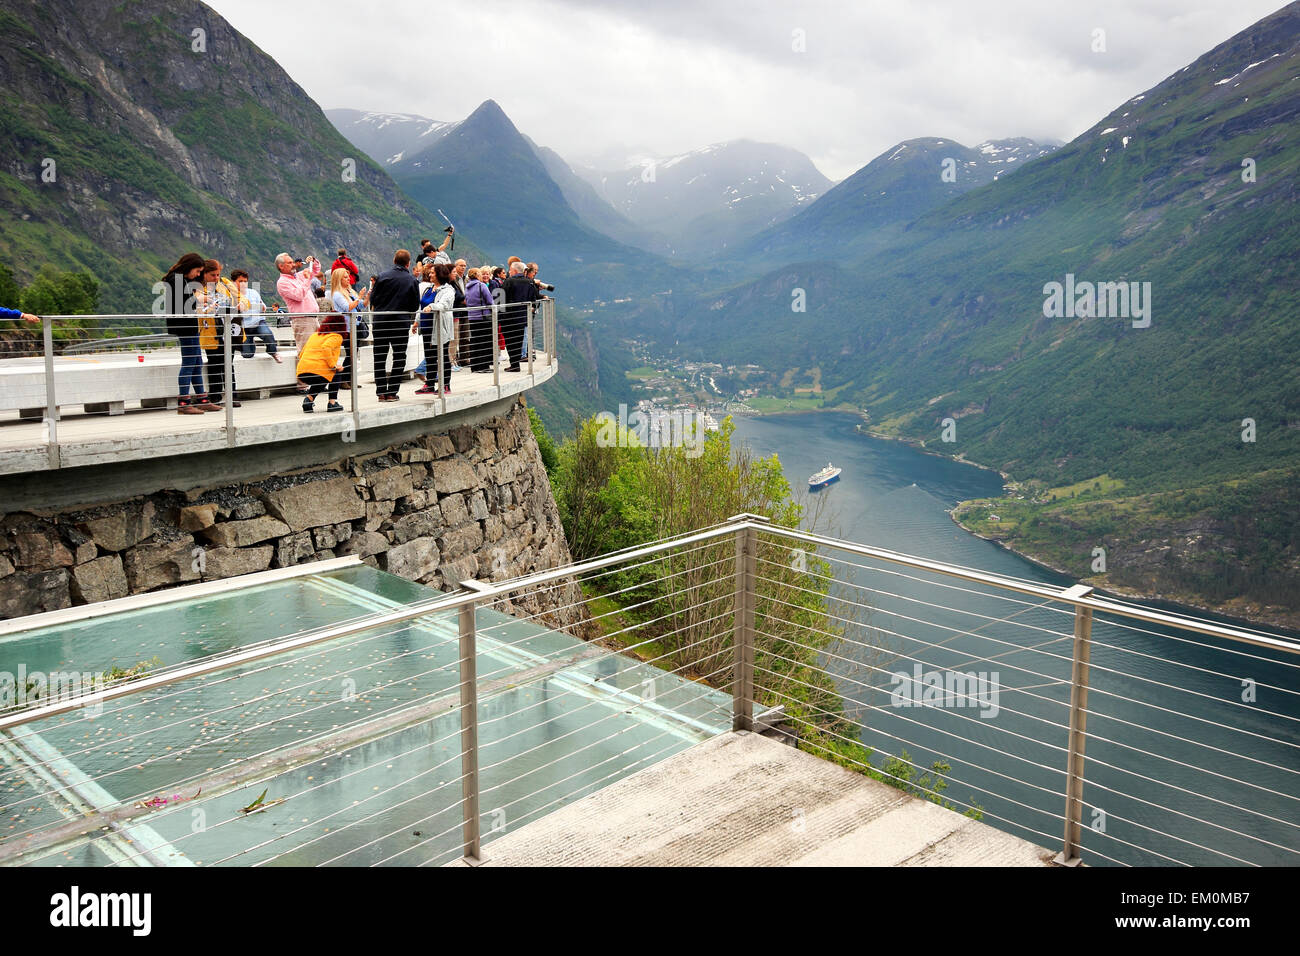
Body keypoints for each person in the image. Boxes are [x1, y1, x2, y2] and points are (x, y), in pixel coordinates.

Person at [161, 252, 211, 414]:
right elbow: (182, 302)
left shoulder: (179, 279)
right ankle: (184, 401)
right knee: (189, 363)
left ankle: (202, 398)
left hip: (188, 325)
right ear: (189, 267)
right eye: (197, 271)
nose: (197, 274)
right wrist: (199, 299)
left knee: (196, 362)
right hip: (185, 326)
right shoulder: (176, 280)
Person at [368, 249, 419, 402]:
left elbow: (374, 300)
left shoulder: (382, 276)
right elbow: (415, 305)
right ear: (408, 263)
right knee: (399, 357)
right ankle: (392, 391)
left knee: (379, 357)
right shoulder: (411, 280)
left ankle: (381, 392)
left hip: (380, 322)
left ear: (394, 260)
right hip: (400, 323)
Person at [195, 259, 244, 408]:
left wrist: (242, 304)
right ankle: (215, 397)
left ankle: (232, 396)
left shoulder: (225, 283)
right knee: (214, 364)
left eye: (217, 275)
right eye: (212, 275)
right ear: (204, 274)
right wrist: (209, 306)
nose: (216, 278)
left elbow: (242, 299)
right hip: (210, 331)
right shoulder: (197, 288)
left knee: (229, 363)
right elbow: (196, 309)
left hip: (229, 330)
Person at [414, 261, 455, 396]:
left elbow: (444, 304)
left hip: (439, 327)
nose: (430, 274)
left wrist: (432, 306)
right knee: (430, 356)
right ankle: (430, 384)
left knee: (442, 356)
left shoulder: (448, 290)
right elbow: (421, 306)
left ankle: (445, 385)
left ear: (439, 274)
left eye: (433, 272)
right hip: (426, 326)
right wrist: (417, 322)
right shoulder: (428, 289)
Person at [295, 313, 347, 413]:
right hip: (317, 372)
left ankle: (308, 401)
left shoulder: (315, 335)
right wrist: (334, 365)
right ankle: (332, 403)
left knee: (324, 376)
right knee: (336, 372)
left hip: (302, 372)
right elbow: (326, 347)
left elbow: (301, 353)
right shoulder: (336, 336)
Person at [328, 267, 368, 390]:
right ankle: (343, 379)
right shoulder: (337, 294)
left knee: (353, 355)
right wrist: (359, 297)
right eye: (345, 277)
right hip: (346, 328)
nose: (348, 279)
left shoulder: (349, 292)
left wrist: (367, 297)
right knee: (350, 355)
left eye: (348, 276)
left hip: (354, 326)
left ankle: (349, 379)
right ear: (338, 279)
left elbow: (361, 305)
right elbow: (348, 307)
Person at [232, 269, 280, 362]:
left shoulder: (253, 292)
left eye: (245, 281)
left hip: (257, 322)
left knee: (267, 334)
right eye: (240, 281)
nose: (243, 284)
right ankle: (250, 343)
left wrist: (263, 307)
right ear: (234, 282)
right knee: (247, 355)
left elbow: (262, 304)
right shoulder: (231, 295)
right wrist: (236, 309)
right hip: (243, 328)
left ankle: (273, 352)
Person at [276, 253, 321, 351]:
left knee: (318, 350)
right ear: (281, 266)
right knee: (306, 351)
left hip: (313, 318)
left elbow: (315, 270)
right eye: (290, 263)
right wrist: (307, 279)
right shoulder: (282, 282)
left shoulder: (298, 276)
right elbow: (299, 295)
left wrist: (313, 261)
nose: (294, 265)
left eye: (292, 262)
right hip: (302, 320)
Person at [502, 260, 538, 372]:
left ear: (514, 270)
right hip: (523, 317)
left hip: (509, 317)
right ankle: (516, 364)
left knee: (510, 340)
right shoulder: (530, 282)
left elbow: (501, 298)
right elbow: (534, 299)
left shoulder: (509, 281)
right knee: (518, 340)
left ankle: (514, 364)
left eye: (510, 270)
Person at [465, 266, 496, 372]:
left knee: (475, 341)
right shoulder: (481, 285)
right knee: (484, 341)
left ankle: (474, 366)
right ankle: (483, 366)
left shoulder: (467, 286)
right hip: (483, 317)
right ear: (477, 275)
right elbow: (489, 300)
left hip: (472, 317)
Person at [450, 259, 468, 370]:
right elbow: (458, 296)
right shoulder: (453, 281)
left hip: (465, 310)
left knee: (465, 335)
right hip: (457, 310)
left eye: (464, 265)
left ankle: (464, 358)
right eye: (461, 265)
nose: (463, 267)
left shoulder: (466, 279)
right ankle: (453, 360)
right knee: (455, 336)